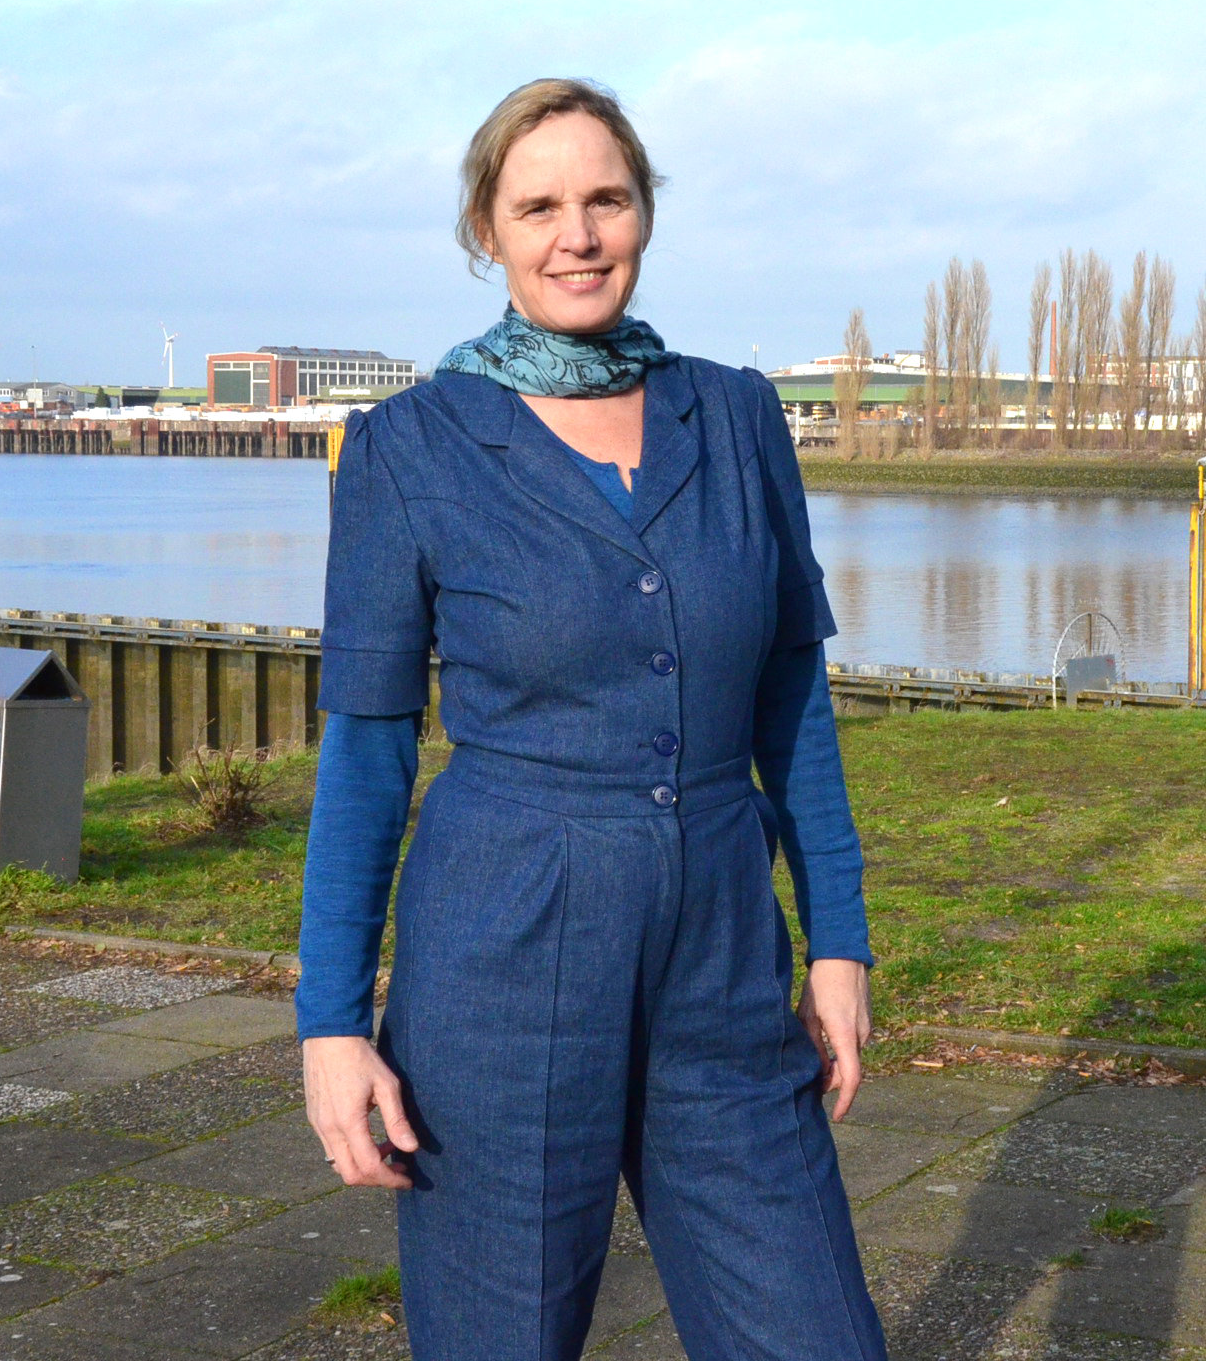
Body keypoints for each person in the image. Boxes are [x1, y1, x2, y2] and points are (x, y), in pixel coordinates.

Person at [296, 78, 886, 1361]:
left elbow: (793, 703)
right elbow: (367, 756)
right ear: (488, 234)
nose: (577, 234)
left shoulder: (732, 417)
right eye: (540, 205)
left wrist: (837, 939)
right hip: (500, 965)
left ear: (646, 215)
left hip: (723, 960)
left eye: (605, 199)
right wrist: (332, 1026)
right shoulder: (408, 450)